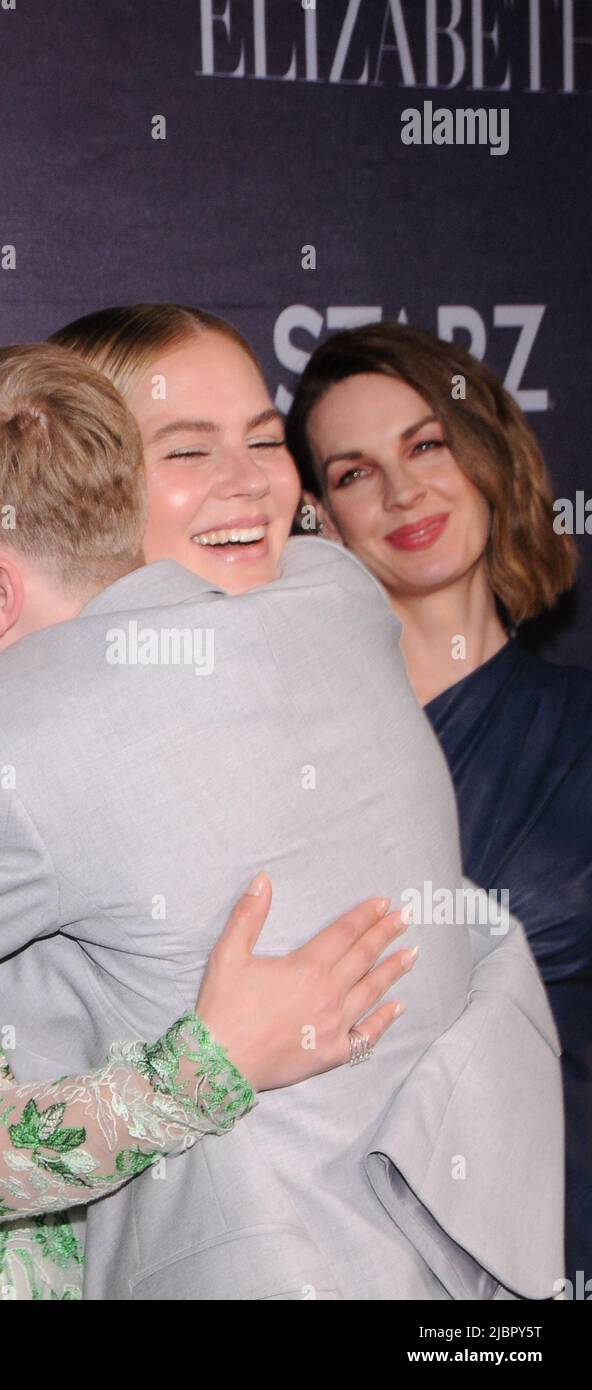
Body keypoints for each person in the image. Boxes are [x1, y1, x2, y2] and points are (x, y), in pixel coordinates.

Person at [0, 317, 563, 1301]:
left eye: (267, 439)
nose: (253, 484)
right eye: (188, 449)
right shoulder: (335, 591)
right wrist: (208, 1063)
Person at [286, 318, 592, 1283]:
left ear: (488, 453)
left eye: (426, 444)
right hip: (347, 1238)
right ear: (322, 521)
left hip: (562, 1219)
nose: (403, 490)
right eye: (353, 472)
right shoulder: (288, 748)